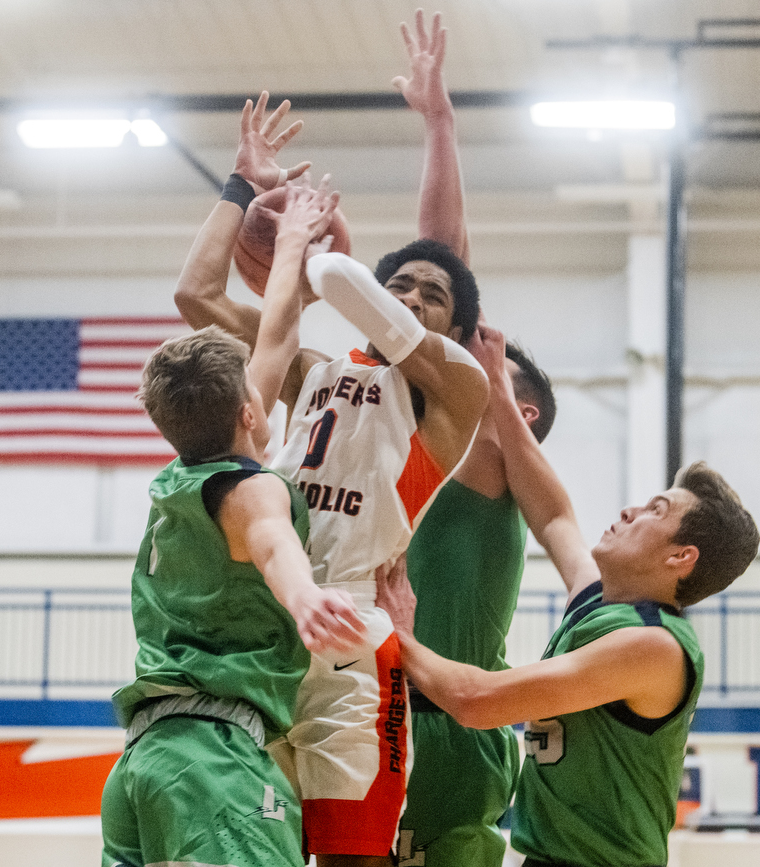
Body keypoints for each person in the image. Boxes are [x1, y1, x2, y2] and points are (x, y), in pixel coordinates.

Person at [172, 81, 488, 867]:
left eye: (432, 292)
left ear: (455, 324)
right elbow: (195, 293)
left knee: (354, 858)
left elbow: (350, 287)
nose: (412, 294)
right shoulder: (312, 367)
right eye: (403, 282)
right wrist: (241, 188)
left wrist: (313, 258)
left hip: (350, 633)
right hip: (263, 626)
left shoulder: (455, 389)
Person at [375, 322, 760, 867]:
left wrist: (398, 633)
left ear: (681, 557)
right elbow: (553, 513)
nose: (630, 510)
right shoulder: (605, 603)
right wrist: (500, 394)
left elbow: (478, 701)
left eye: (657, 511)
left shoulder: (653, 647)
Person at [100, 180, 368, 867]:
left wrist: (259, 209)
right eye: (257, 388)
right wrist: (305, 597)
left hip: (144, 762)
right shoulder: (252, 491)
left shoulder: (178, 481)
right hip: (214, 765)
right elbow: (274, 545)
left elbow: (277, 329)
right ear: (250, 411)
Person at [385, 13, 558, 867]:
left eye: (496, 360)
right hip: (363, 704)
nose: (478, 355)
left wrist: (440, 124)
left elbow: (443, 265)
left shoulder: (487, 449)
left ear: (517, 414)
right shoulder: (398, 430)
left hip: (449, 728)